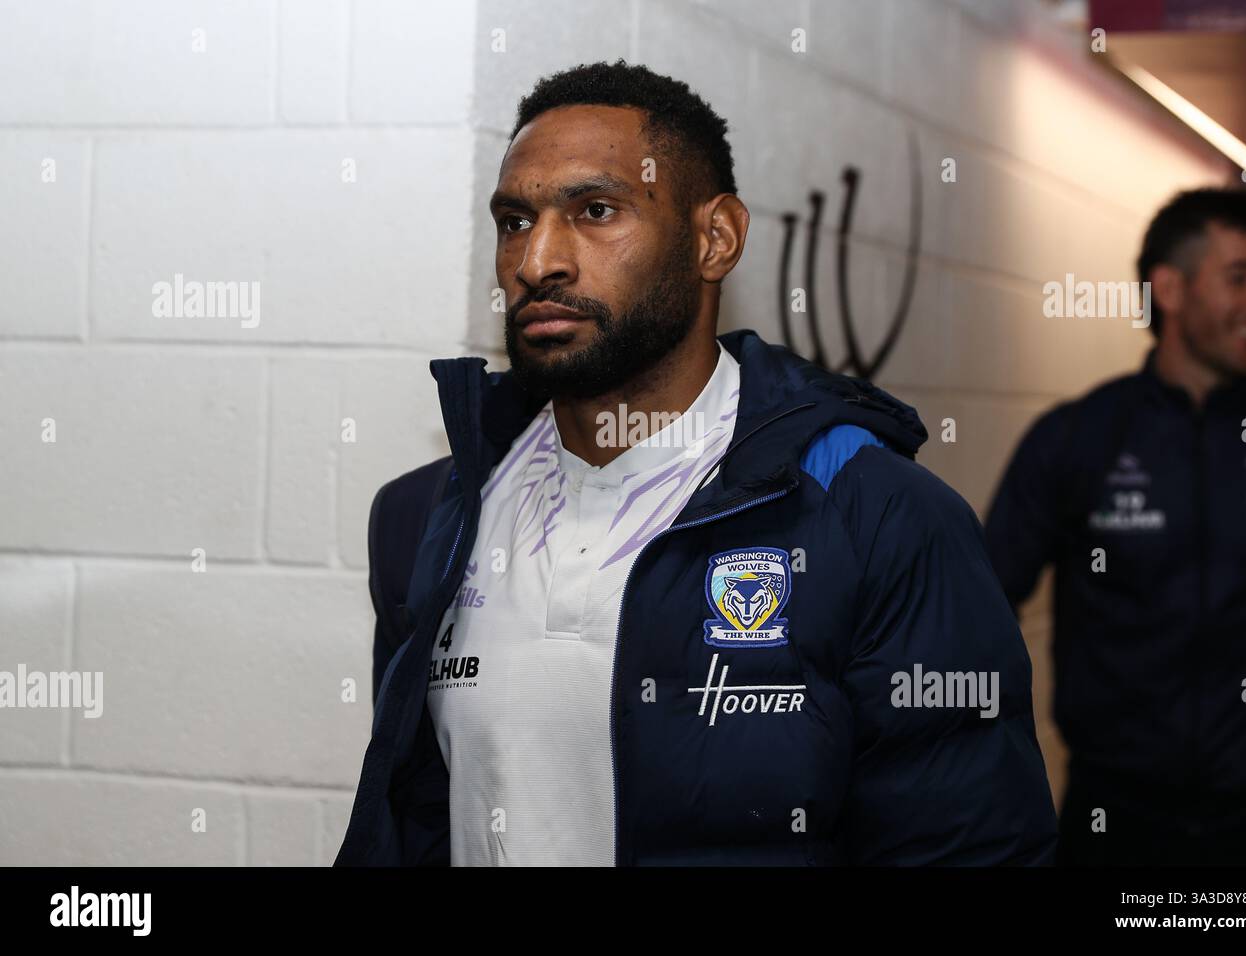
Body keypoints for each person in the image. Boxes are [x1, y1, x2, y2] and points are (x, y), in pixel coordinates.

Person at [335, 59, 1056, 866]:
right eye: (514, 221)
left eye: (594, 210)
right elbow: (420, 819)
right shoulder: (427, 520)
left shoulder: (873, 514)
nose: (538, 261)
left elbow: (969, 850)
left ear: (716, 238)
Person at [985, 187, 1246, 865]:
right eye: (1241, 278)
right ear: (1172, 288)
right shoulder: (1078, 438)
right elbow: (976, 608)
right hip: (1115, 820)